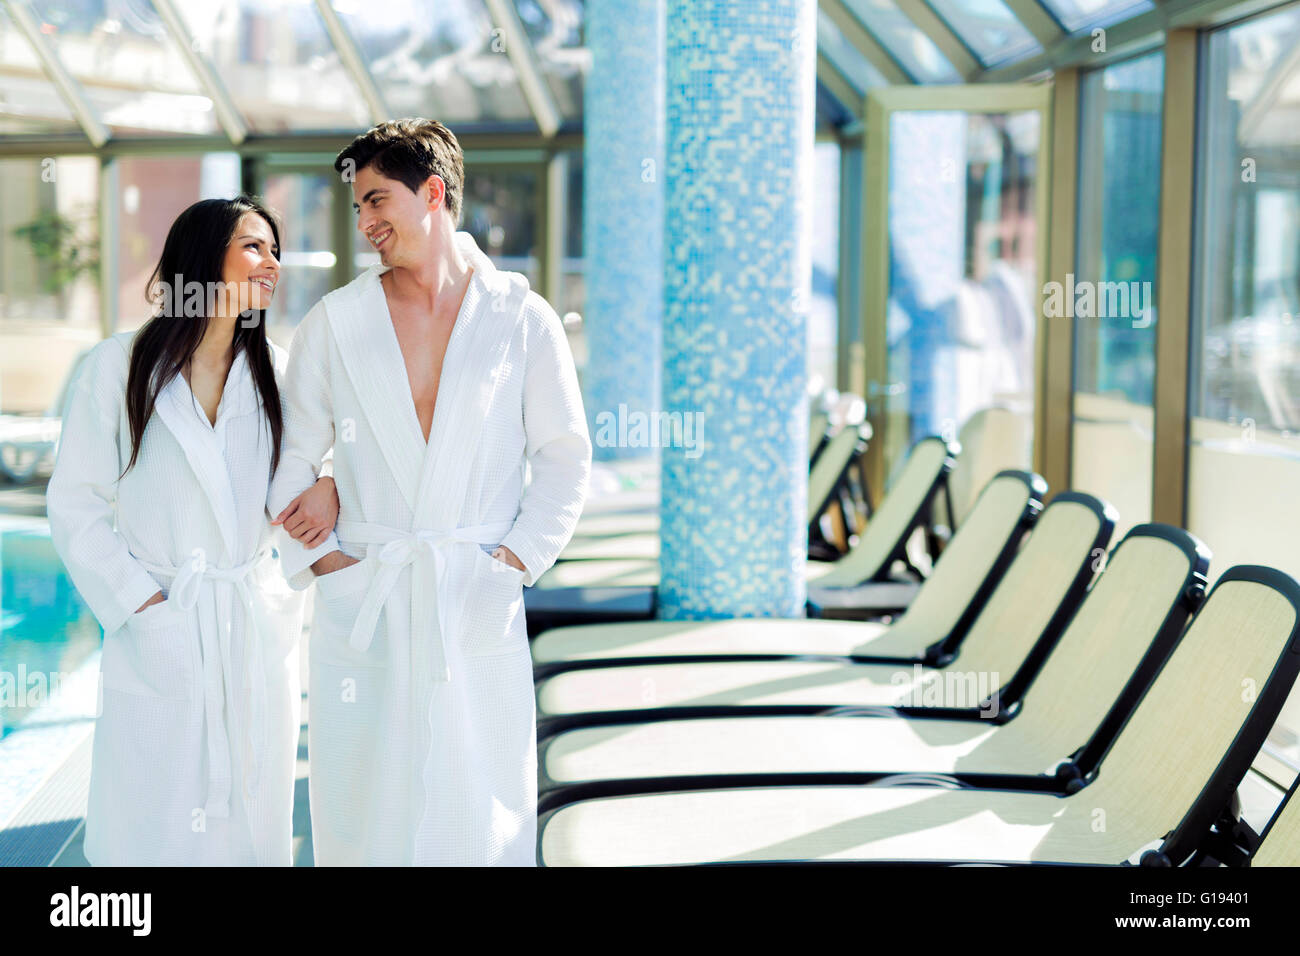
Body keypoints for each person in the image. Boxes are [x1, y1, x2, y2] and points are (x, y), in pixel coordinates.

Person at [268, 118, 591, 866]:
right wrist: (332, 565)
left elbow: (564, 457)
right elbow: (289, 457)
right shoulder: (336, 322)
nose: (365, 222)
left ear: (434, 193)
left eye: (378, 200)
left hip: (473, 594)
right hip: (369, 593)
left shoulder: (520, 319)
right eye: (358, 207)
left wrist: (511, 562)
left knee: (477, 808)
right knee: (364, 810)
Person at [47, 196, 340, 866]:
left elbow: (316, 467)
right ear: (204, 256)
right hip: (163, 615)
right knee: (155, 816)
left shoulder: (280, 371)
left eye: (275, 251)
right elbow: (75, 504)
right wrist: (143, 605)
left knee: (250, 811)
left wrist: (330, 483)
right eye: (254, 247)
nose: (272, 264)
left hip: (248, 621)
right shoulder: (116, 367)